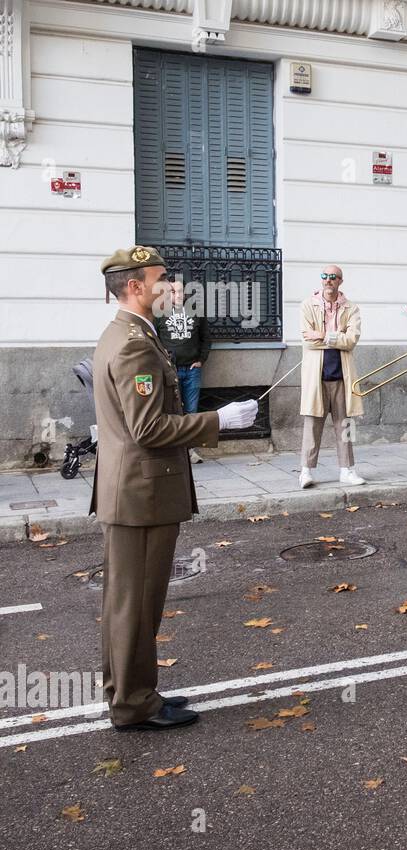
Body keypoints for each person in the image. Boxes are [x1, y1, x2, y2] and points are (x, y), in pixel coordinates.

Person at [90, 246, 258, 731]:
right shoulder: (134, 343)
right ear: (137, 287)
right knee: (136, 603)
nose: (170, 287)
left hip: (134, 492)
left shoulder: (133, 333)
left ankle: (132, 691)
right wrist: (217, 420)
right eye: (162, 279)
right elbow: (148, 429)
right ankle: (132, 703)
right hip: (141, 496)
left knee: (129, 603)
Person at [300, 265, 365, 488]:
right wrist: (336, 339)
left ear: (340, 281)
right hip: (316, 377)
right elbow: (308, 341)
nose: (328, 280)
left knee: (346, 425)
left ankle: (347, 470)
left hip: (342, 377)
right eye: (324, 276)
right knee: (312, 425)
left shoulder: (351, 308)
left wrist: (323, 336)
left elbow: (352, 340)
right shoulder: (307, 305)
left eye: (333, 277)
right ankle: (305, 471)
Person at [157, 274, 211, 463]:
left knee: (191, 411)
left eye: (180, 291)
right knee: (171, 411)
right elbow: (153, 339)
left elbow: (206, 338)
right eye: (173, 291)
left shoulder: (196, 311)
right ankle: (173, 451)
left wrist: (202, 359)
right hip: (170, 371)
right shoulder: (159, 313)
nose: (178, 295)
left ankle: (190, 450)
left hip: (192, 369)